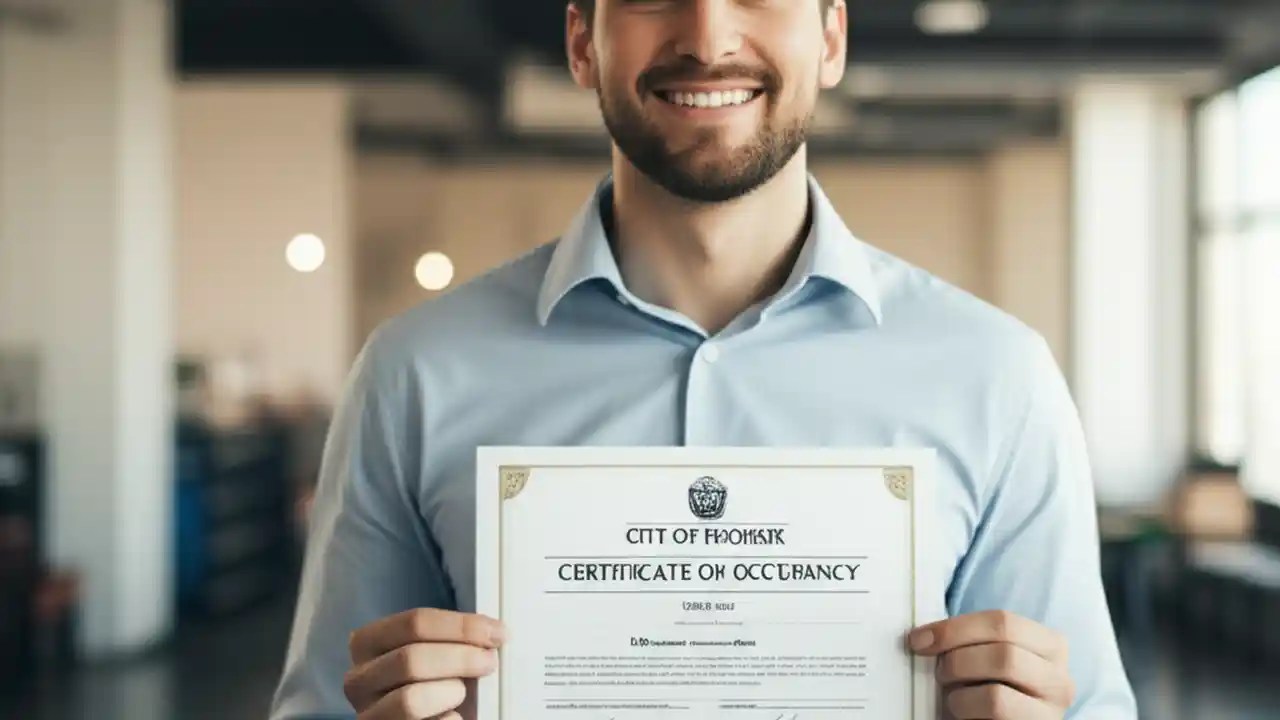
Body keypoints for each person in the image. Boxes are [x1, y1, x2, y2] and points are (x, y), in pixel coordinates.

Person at [270, 0, 1138, 718]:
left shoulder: (998, 378)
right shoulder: (412, 375)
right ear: (582, 43)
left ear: (831, 37)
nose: (708, 34)